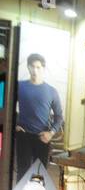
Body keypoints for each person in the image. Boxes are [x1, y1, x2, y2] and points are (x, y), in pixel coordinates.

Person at [14, 52, 64, 180]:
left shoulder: (51, 91)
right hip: (24, 134)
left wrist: (51, 133)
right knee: (23, 171)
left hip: (42, 137)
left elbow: (59, 117)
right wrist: (14, 124)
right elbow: (7, 105)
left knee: (39, 173)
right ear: (28, 67)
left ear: (43, 68)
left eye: (38, 67)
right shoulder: (20, 86)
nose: (35, 70)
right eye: (32, 67)